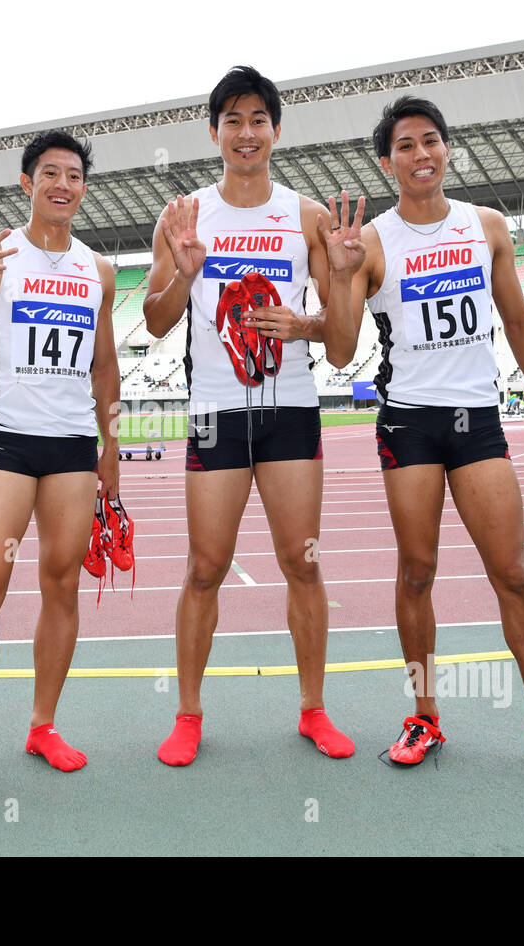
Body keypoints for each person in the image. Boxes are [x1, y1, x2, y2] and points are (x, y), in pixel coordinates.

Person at [324, 95, 524, 778]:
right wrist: (339, 275)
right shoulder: (373, 245)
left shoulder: (487, 227)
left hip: (477, 421)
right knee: (417, 572)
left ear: (447, 149)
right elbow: (338, 352)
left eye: (431, 141)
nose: (420, 154)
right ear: (387, 162)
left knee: (511, 574)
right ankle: (423, 716)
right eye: (405, 146)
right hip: (409, 422)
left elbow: (518, 324)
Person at [142, 66, 355, 766]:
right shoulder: (184, 215)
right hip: (216, 412)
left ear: (276, 130)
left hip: (290, 406)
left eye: (258, 119)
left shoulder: (307, 217)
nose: (246, 132)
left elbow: (343, 335)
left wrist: (310, 322)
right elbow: (154, 319)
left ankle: (314, 709)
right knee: (206, 566)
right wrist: (183, 268)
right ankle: (188, 713)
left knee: (303, 561)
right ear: (213, 132)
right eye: (232, 120)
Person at [0, 130, 120, 801]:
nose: (61, 184)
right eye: (49, 174)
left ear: (83, 188)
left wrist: (112, 449)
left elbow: (103, 365)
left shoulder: (98, 271)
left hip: (72, 448)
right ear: (26, 183)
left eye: (72, 175)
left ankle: (43, 726)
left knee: (62, 586)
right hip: (9, 442)